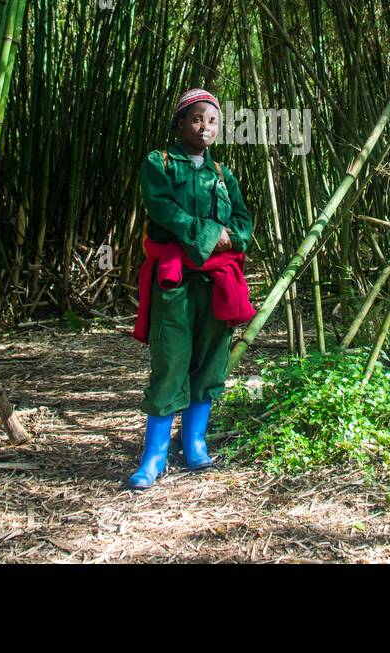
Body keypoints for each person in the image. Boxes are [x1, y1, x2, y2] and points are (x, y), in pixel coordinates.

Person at [128, 88, 255, 490]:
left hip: (218, 279)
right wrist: (206, 233)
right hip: (176, 278)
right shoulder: (159, 162)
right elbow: (162, 207)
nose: (206, 126)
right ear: (181, 122)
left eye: (213, 120)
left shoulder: (223, 174)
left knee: (212, 357)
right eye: (198, 118)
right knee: (171, 357)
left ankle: (195, 441)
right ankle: (154, 455)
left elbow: (243, 219)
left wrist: (232, 237)